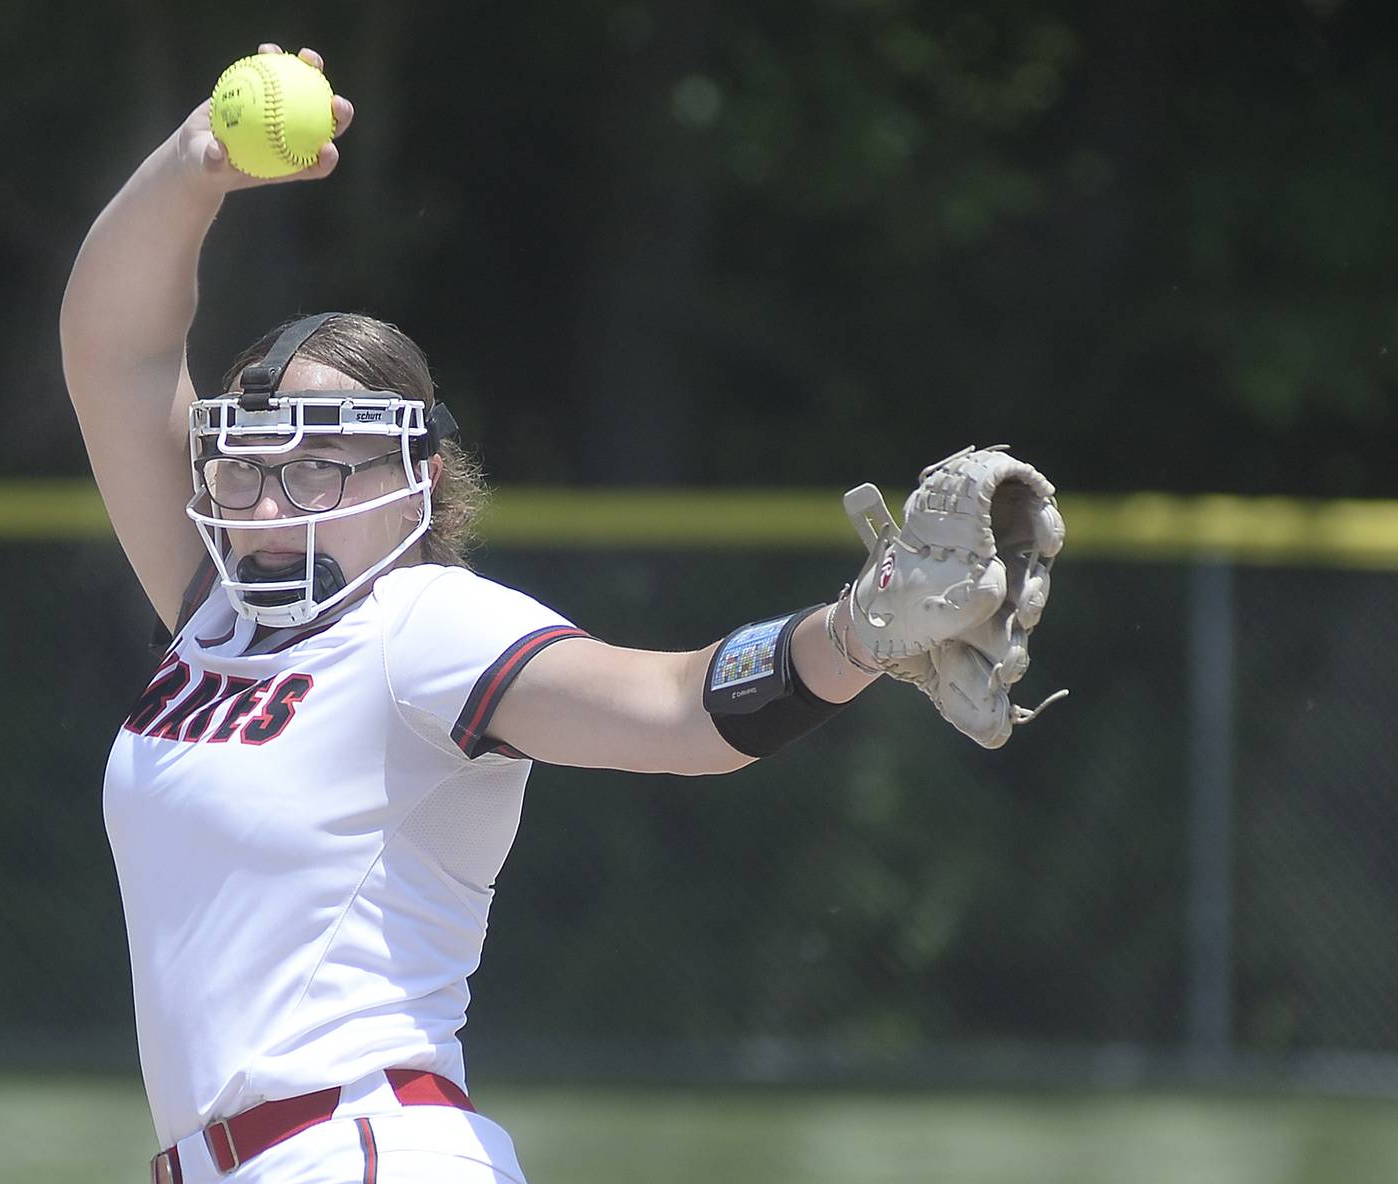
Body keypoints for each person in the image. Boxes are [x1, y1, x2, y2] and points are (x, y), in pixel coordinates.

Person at [60, 42, 1060, 1184]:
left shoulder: (420, 623)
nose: (276, 495)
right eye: (250, 463)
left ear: (418, 481)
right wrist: (195, 165)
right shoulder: (211, 616)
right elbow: (113, 350)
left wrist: (858, 632)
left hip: (363, 1151)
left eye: (323, 460)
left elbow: (677, 707)